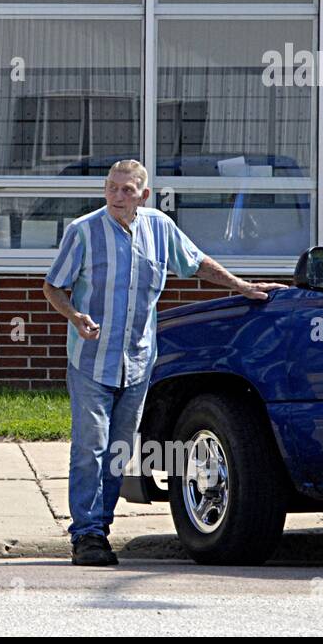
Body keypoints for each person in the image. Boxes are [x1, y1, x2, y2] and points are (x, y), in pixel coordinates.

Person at [41, 160, 288, 567]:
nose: (117, 196)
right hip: (90, 359)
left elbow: (197, 262)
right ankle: (86, 534)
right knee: (91, 446)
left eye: (126, 190)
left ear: (144, 195)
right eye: (111, 188)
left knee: (118, 449)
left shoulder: (159, 228)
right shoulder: (82, 232)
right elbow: (53, 286)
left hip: (137, 361)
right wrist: (74, 315)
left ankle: (100, 527)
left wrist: (241, 286)